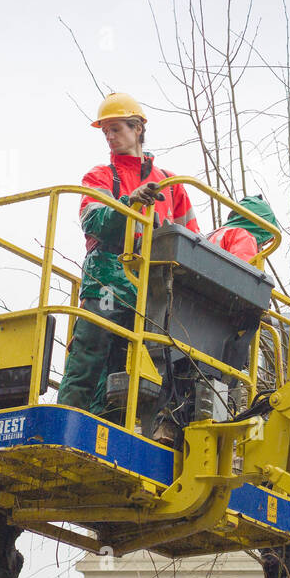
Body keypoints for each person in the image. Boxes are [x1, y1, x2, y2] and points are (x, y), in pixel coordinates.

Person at [57, 92, 198, 438]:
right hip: (107, 276)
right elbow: (93, 221)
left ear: (137, 129)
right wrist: (128, 203)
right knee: (91, 350)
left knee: (139, 365)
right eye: (105, 131)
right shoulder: (100, 176)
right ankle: (65, 425)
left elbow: (192, 239)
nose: (109, 136)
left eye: (115, 128)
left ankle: (114, 433)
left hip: (153, 286)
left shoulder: (171, 184)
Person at [206, 195, 278, 263]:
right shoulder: (244, 237)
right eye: (263, 242)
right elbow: (243, 271)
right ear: (258, 230)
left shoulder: (217, 234)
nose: (261, 247)